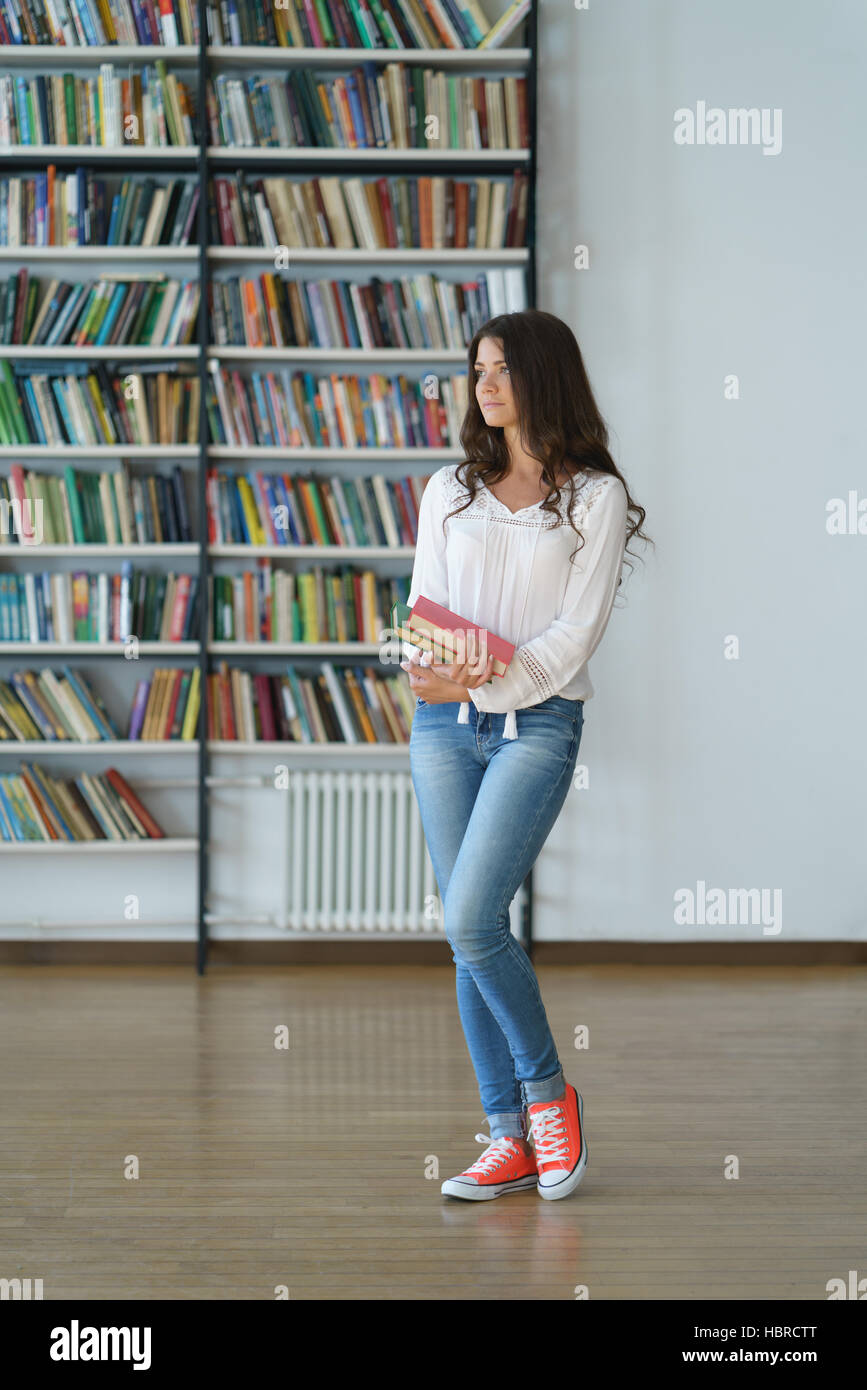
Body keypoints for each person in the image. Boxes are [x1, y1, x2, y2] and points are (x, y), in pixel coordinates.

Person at [400, 308, 648, 1200]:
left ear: (545, 375)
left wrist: (471, 685)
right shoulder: (448, 490)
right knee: (473, 935)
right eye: (477, 369)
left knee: (469, 920)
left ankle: (549, 1097)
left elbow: (566, 647)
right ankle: (505, 1135)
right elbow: (425, 609)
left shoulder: (593, 499)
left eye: (501, 367)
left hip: (538, 727)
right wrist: (425, 669)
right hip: (441, 730)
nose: (485, 384)